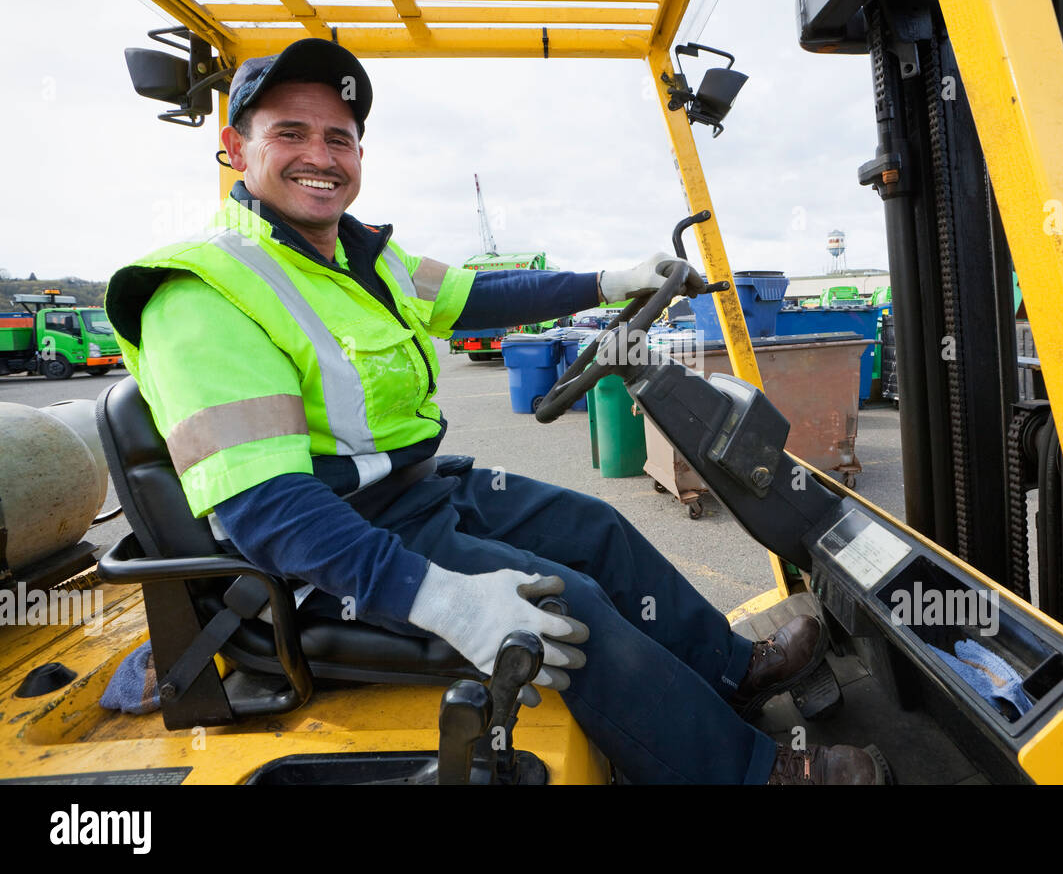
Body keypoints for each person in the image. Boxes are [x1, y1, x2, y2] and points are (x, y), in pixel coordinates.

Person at [106, 38, 890, 785]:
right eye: (291, 134)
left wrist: (609, 280)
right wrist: (437, 597)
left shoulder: (358, 255)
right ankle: (749, 772)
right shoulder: (202, 291)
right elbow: (268, 509)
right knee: (567, 608)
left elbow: (476, 296)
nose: (320, 156)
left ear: (358, 157)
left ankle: (731, 671)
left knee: (599, 528)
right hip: (325, 554)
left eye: (338, 139)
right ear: (238, 150)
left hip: (417, 497)